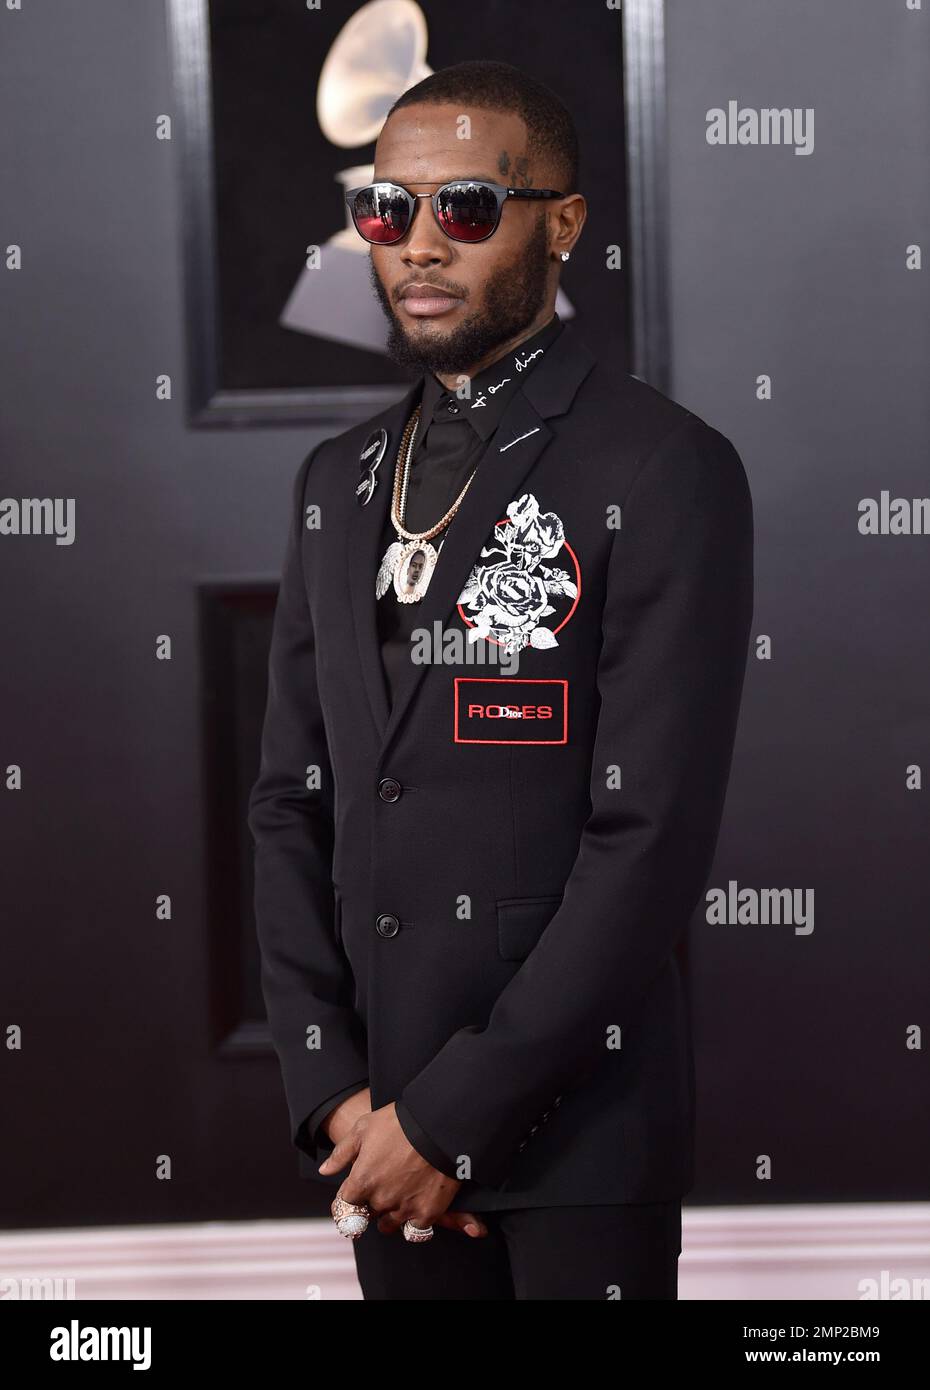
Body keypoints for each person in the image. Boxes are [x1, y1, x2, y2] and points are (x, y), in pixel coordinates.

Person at [248, 59, 754, 1300]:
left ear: (563, 221)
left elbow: (649, 838)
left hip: (577, 1144)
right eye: (387, 209)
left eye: (466, 206)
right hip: (374, 1149)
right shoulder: (334, 480)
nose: (418, 245)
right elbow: (287, 803)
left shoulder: (664, 465)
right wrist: (336, 1098)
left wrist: (450, 1121)